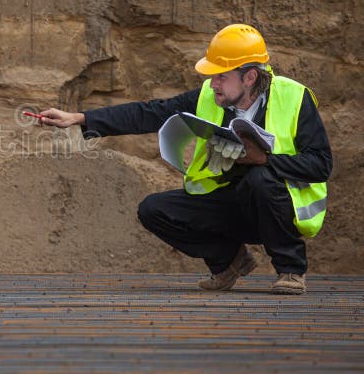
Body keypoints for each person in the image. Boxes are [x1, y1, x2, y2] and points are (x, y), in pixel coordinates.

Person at [39, 24, 332, 295]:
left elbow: (320, 164)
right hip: (230, 207)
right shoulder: (209, 96)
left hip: (276, 212)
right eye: (212, 75)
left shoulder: (294, 98)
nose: (213, 83)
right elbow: (150, 112)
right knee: (153, 209)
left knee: (260, 180)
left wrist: (265, 160)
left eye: (221, 76)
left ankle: (291, 271)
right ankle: (228, 261)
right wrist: (81, 118)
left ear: (250, 76)